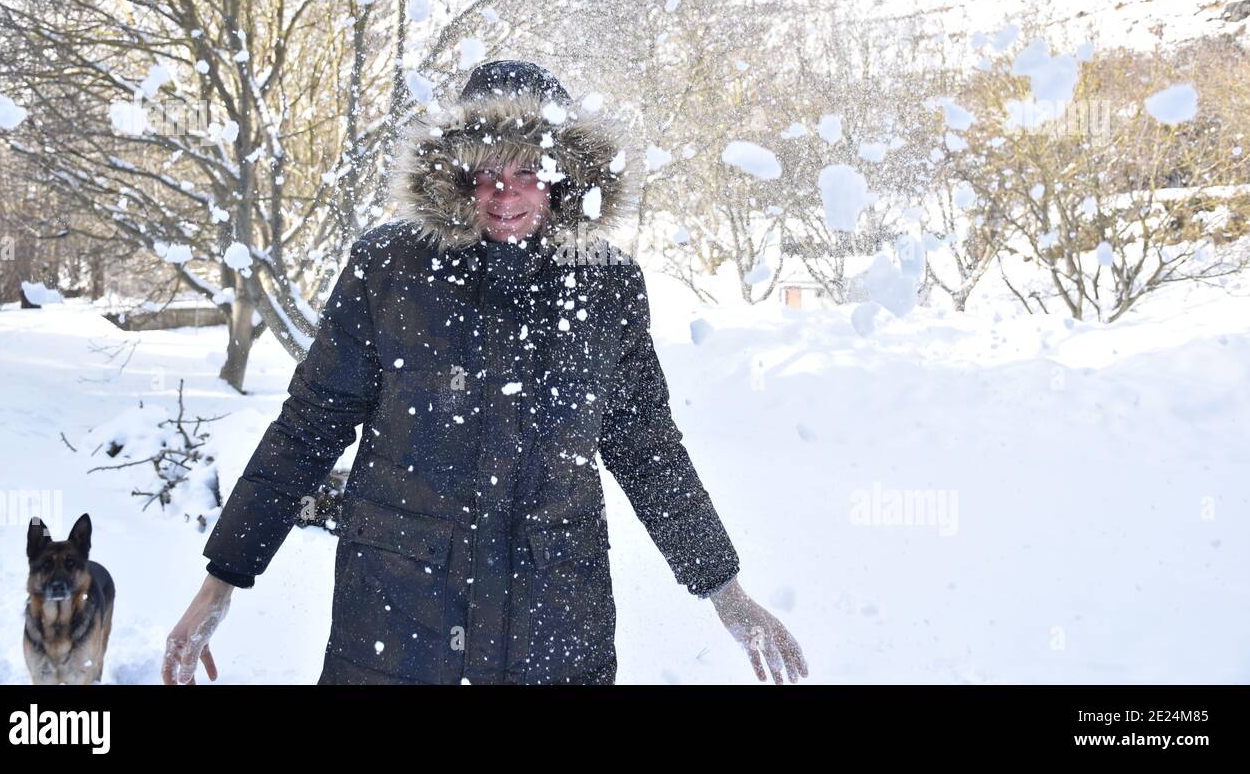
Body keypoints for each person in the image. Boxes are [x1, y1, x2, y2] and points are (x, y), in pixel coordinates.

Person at [163, 60, 807, 685]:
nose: (506, 194)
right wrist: (222, 579)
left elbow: (646, 448)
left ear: (561, 179)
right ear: (457, 175)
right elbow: (307, 429)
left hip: (552, 627)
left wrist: (726, 592)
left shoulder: (606, 286)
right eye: (487, 172)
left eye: (528, 171)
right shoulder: (389, 271)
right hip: (398, 623)